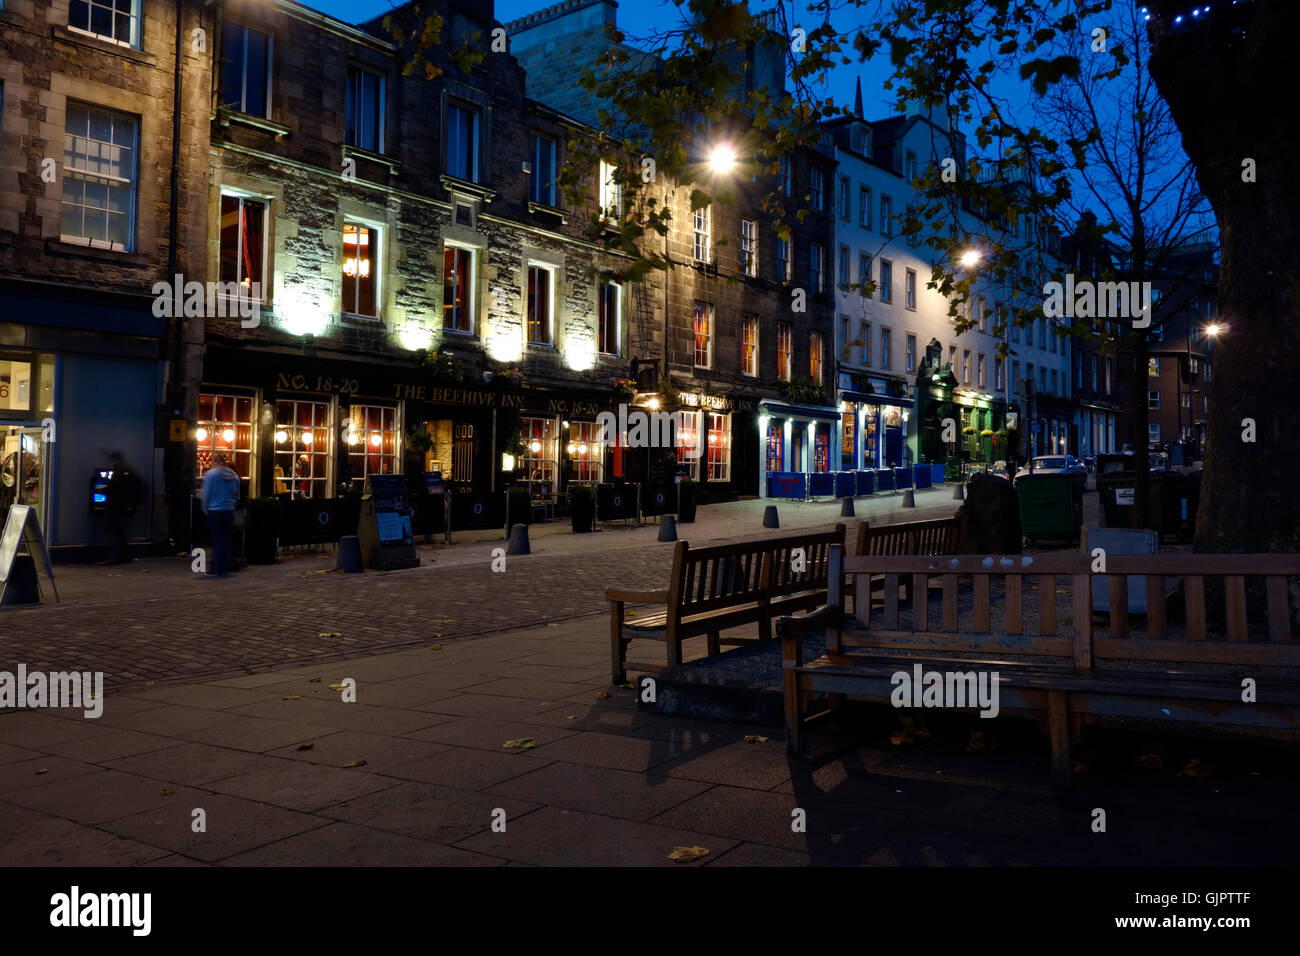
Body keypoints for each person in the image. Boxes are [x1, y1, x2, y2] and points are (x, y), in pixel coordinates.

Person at [98, 451, 142, 565]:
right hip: (123, 506)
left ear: (115, 460)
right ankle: (125, 556)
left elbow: (114, 489)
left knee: (112, 531)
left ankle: (114, 557)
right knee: (120, 532)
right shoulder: (128, 471)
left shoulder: (118, 472)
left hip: (115, 506)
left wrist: (102, 491)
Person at [200, 452, 240, 577]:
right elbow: (236, 494)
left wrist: (205, 509)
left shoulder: (211, 475)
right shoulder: (234, 476)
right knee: (226, 540)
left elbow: (206, 494)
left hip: (215, 510)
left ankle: (215, 569)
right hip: (228, 510)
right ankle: (224, 568)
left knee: (216, 541)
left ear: (215, 462)